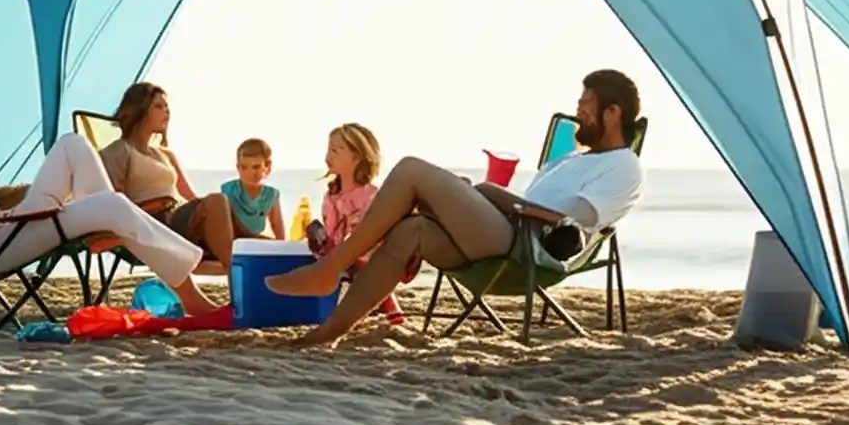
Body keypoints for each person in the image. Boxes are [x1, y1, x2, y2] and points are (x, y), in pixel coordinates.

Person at [268, 69, 645, 345]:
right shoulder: (569, 161)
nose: (578, 111)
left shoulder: (624, 165)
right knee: (409, 230)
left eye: (586, 105)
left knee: (412, 170)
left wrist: (494, 201)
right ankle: (331, 331)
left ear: (613, 114)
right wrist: (482, 197)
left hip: (529, 246)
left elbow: (570, 229)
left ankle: (330, 268)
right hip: (501, 230)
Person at [0, 76, 219, 316]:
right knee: (114, 204)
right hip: (1, 241)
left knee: (73, 144)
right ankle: (189, 295)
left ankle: (100, 222)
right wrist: (12, 209)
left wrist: (18, 204)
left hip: (7, 228)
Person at [99, 82, 238, 276]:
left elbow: (189, 195)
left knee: (243, 231)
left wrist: (213, 216)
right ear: (139, 109)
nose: (166, 112)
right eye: (158, 106)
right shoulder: (119, 152)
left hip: (177, 217)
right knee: (218, 202)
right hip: (154, 222)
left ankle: (245, 264)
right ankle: (237, 274)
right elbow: (116, 202)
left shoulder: (166, 155)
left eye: (167, 107)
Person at [308, 123, 406, 325]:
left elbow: (382, 233)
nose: (328, 156)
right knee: (318, 239)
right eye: (328, 149)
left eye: (335, 151)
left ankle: (391, 310)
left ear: (356, 157)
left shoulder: (370, 195)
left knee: (363, 263)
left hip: (377, 256)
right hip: (346, 255)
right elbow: (334, 235)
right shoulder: (332, 196)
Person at [220, 138, 285, 239]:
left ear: (267, 166)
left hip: (254, 240)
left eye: (256, 167)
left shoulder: (271, 195)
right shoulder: (228, 190)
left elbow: (278, 228)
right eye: (244, 167)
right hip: (233, 240)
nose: (250, 173)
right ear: (238, 167)